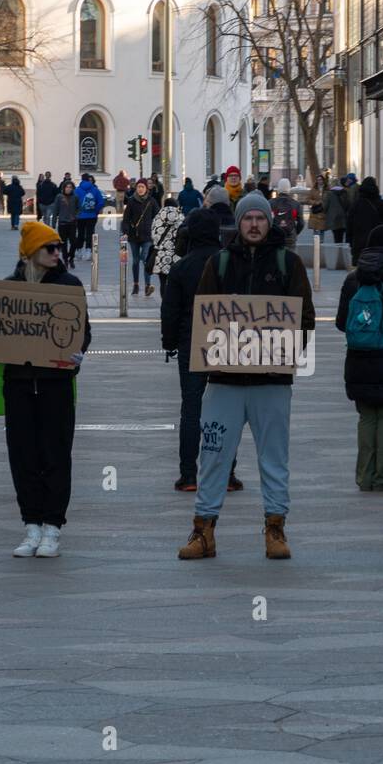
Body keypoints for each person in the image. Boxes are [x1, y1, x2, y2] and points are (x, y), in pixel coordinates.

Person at [177, 192, 316, 561]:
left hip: (271, 380)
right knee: (213, 455)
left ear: (270, 222)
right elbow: (203, 316)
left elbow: (304, 318)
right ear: (238, 223)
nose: (254, 224)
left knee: (274, 458)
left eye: (260, 218)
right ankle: (203, 530)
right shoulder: (219, 263)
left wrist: (282, 349)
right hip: (225, 380)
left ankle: (275, 528)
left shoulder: (289, 263)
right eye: (247, 218)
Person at [0, 223, 91, 558]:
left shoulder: (70, 286)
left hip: (56, 383)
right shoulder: (9, 289)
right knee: (22, 455)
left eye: (58, 247)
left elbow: (84, 331)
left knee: (56, 455)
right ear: (31, 252)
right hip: (19, 384)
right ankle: (31, 525)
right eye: (50, 248)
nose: (57, 253)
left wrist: (78, 352)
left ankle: (53, 527)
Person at [339, 224, 383, 493]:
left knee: (366, 418)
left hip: (359, 361)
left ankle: (364, 477)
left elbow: (342, 323)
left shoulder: (353, 279)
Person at [161, 209, 223, 491]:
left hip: (191, 341)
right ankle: (227, 474)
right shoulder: (228, 262)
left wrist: (169, 342)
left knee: (191, 408)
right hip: (226, 342)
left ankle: (188, 474)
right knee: (225, 410)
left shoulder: (182, 266)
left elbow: (170, 310)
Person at [122, 178, 157, 296]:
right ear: (136, 188)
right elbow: (126, 219)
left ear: (146, 188)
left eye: (142, 187)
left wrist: (156, 230)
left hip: (147, 235)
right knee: (136, 260)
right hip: (134, 235)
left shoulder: (151, 201)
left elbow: (157, 217)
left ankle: (147, 285)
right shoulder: (131, 201)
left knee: (145, 258)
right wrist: (125, 231)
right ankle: (136, 285)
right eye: (138, 187)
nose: (140, 189)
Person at [346, 176, 383, 265]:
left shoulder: (356, 205)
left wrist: (350, 241)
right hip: (378, 245)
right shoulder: (382, 204)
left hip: (359, 245)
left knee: (360, 272)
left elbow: (349, 224)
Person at [149, 196, 184, 296]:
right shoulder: (180, 216)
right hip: (176, 254)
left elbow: (153, 234)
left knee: (163, 282)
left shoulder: (157, 217)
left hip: (161, 254)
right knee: (175, 283)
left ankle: (164, 304)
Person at [268, 178, 305, 249]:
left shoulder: (271, 203)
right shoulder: (296, 204)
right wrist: (295, 232)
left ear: (278, 189)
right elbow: (301, 223)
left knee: (275, 257)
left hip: (275, 235)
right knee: (290, 258)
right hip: (290, 236)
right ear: (289, 189)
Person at [74, 173, 104, 262]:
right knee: (90, 233)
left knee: (80, 233)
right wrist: (95, 210)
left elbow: (74, 203)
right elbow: (101, 202)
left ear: (82, 179)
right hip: (92, 216)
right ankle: (88, 251)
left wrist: (76, 212)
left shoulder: (77, 190)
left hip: (80, 216)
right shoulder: (95, 190)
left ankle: (78, 251)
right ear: (89, 179)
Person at [52, 179, 81, 268]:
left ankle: (71, 257)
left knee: (74, 242)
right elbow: (55, 210)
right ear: (64, 188)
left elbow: (79, 208)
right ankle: (65, 260)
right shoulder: (59, 197)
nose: (68, 189)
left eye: (70, 187)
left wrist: (75, 216)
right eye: (67, 187)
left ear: (72, 188)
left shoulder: (75, 197)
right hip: (62, 223)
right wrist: (53, 222)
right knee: (63, 243)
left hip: (72, 223)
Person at [321, 175, 350, 245]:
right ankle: (341, 250)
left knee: (336, 237)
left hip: (333, 218)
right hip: (343, 217)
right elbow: (347, 204)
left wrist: (324, 212)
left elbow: (325, 206)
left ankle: (338, 252)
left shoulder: (329, 193)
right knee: (341, 235)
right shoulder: (344, 192)